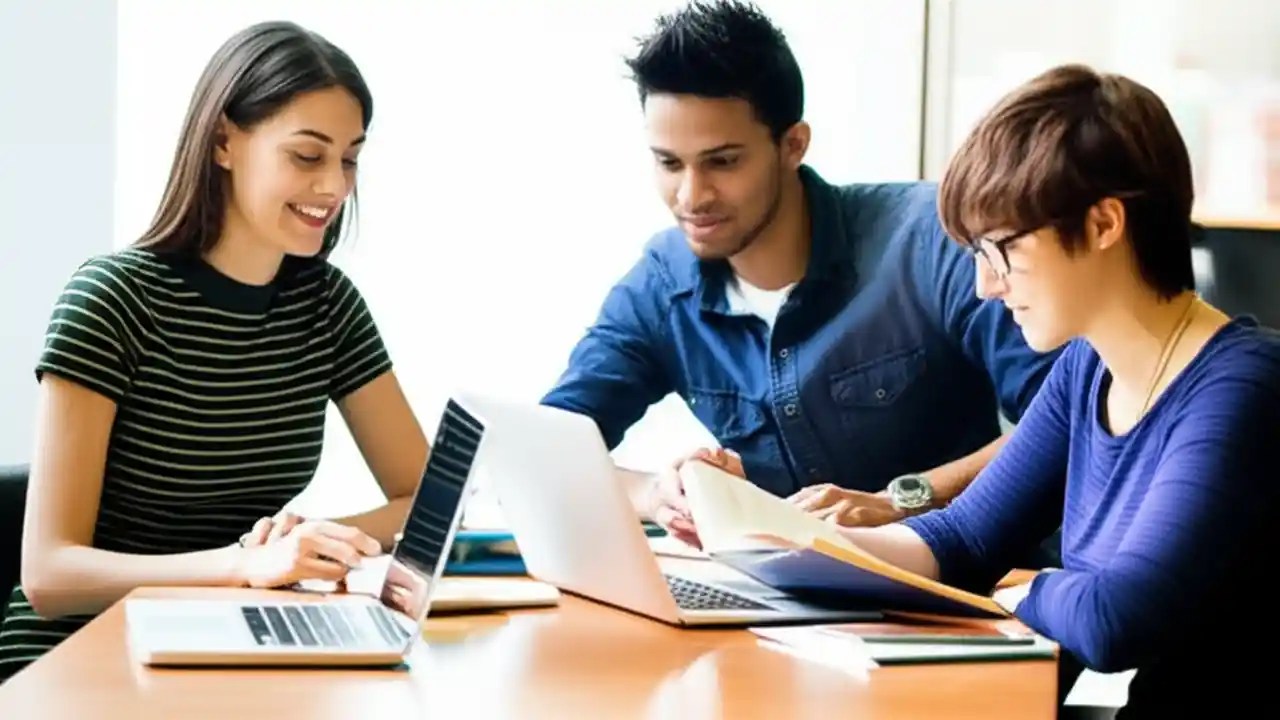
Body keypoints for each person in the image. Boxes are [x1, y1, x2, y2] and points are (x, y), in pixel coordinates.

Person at [698, 63, 1280, 716]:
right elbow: (962, 543)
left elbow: (1118, 618)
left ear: (1102, 225)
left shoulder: (1245, 387)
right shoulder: (1088, 367)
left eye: (1000, 249)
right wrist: (771, 539)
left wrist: (1027, 593)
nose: (985, 286)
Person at [540, 0, 1058, 546]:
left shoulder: (927, 243)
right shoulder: (662, 285)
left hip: (968, 595)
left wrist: (900, 500)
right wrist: (659, 493)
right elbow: (551, 446)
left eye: (722, 161)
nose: (691, 196)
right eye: (670, 163)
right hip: (787, 608)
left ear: (793, 145)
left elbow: (1066, 420)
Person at [0, 21, 429, 681]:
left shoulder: (326, 305)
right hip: (76, 654)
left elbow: (421, 497)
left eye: (350, 157)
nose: (336, 186)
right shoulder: (112, 299)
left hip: (223, 634)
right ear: (225, 141)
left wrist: (307, 543)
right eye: (308, 155)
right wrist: (244, 562)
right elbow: (49, 575)